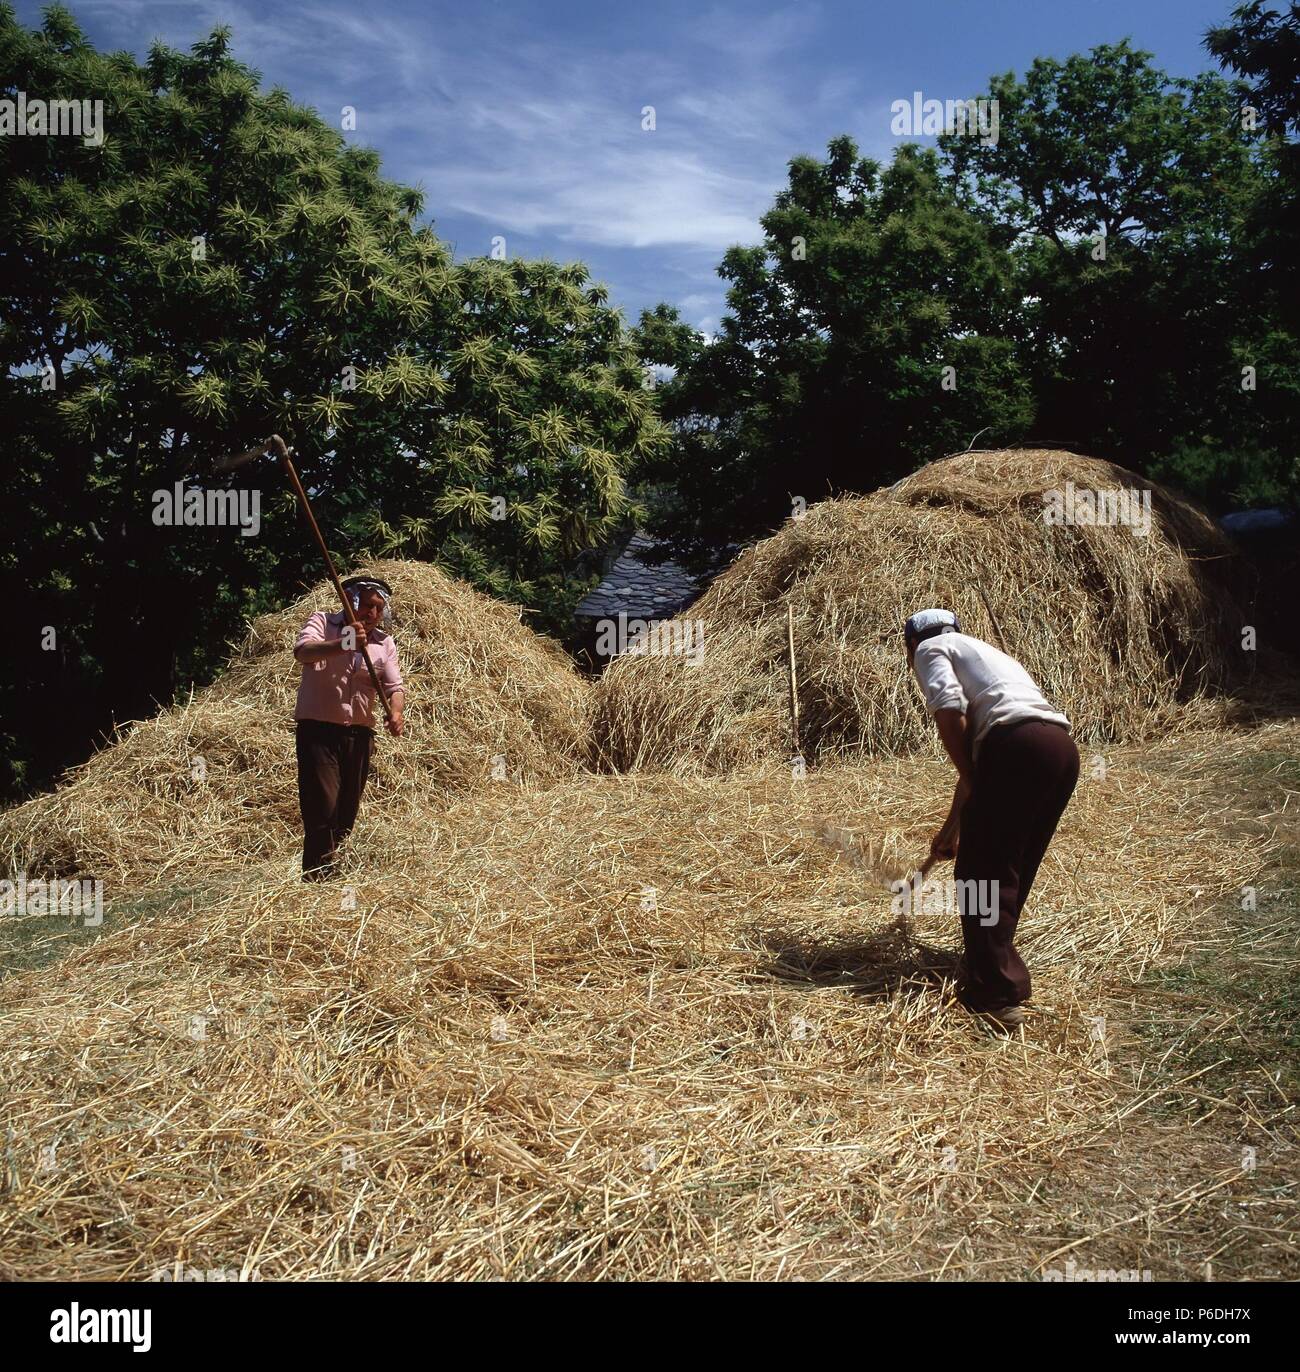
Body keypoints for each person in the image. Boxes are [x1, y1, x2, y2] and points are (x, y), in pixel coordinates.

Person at [904, 608, 1079, 1030]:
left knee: (981, 877)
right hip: (1059, 750)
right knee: (1009, 865)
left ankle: (996, 997)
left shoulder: (930, 648)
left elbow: (950, 710)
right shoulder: (985, 653)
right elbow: (984, 754)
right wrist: (950, 831)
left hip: (1013, 749)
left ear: (910, 644)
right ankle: (990, 955)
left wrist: (972, 775)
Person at [292, 575, 405, 880]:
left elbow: (395, 686)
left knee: (346, 810)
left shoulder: (384, 642)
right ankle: (317, 876)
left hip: (359, 733)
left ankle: (335, 869)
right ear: (351, 602)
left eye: (378, 608)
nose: (372, 614)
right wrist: (344, 643)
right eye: (367, 605)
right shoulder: (323, 623)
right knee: (323, 805)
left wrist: (396, 713)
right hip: (319, 730)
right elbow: (303, 652)